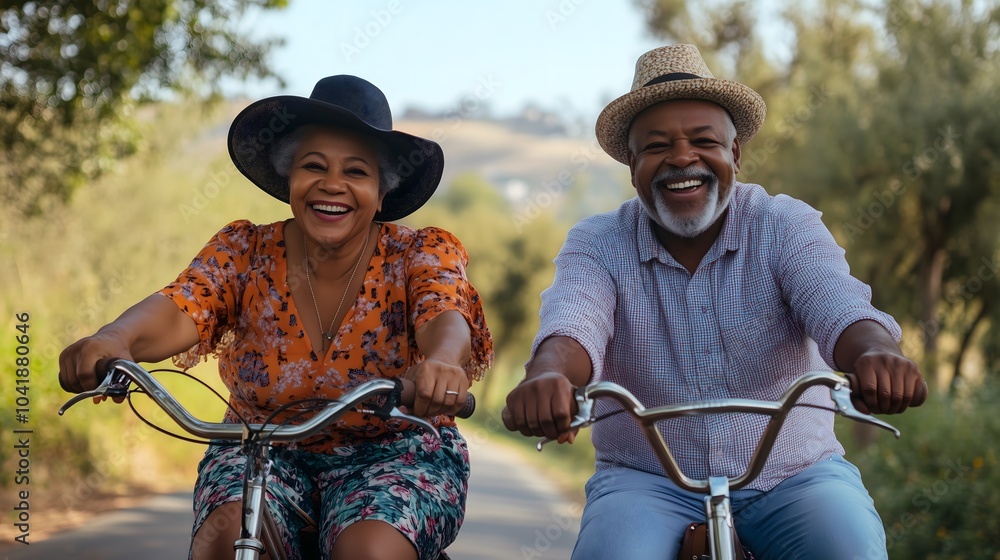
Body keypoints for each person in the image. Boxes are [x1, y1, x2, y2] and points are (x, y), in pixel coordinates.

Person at [503, 44, 927, 560]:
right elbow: (573, 323)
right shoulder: (598, 242)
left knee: (850, 548)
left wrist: (873, 355)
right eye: (657, 146)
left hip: (795, 476)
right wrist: (549, 376)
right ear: (632, 165)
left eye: (704, 141)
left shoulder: (784, 224)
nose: (682, 158)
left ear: (736, 155)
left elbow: (839, 305)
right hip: (645, 481)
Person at [59, 75, 494, 560]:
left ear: (380, 188)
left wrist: (444, 361)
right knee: (225, 541)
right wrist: (114, 338)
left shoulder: (418, 253)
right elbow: (184, 303)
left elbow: (444, 311)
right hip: (259, 451)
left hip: (395, 454)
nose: (333, 185)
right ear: (290, 176)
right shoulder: (244, 251)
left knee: (369, 550)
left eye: (355, 171)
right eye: (313, 166)